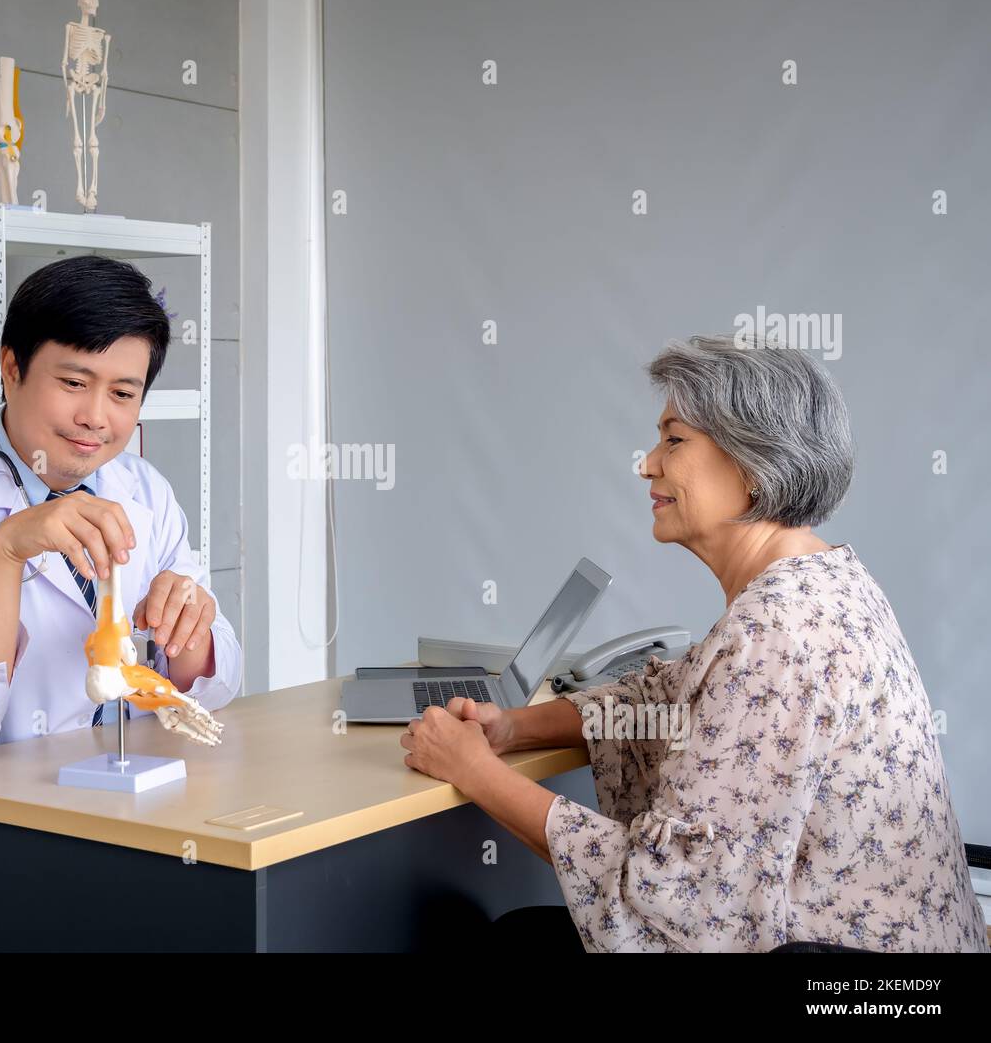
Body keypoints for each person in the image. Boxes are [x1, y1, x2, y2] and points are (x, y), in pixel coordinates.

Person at [401, 334, 988, 953]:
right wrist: (511, 730)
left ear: (754, 464)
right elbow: (672, 697)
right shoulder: (825, 580)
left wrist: (472, 770)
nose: (647, 463)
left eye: (673, 440)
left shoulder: (776, 634)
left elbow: (675, 896)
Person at [0, 256, 242, 885]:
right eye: (73, 382)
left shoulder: (144, 490)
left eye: (123, 393)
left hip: (126, 816)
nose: (97, 416)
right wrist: (6, 552)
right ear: (11, 369)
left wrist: (189, 628)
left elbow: (217, 688)